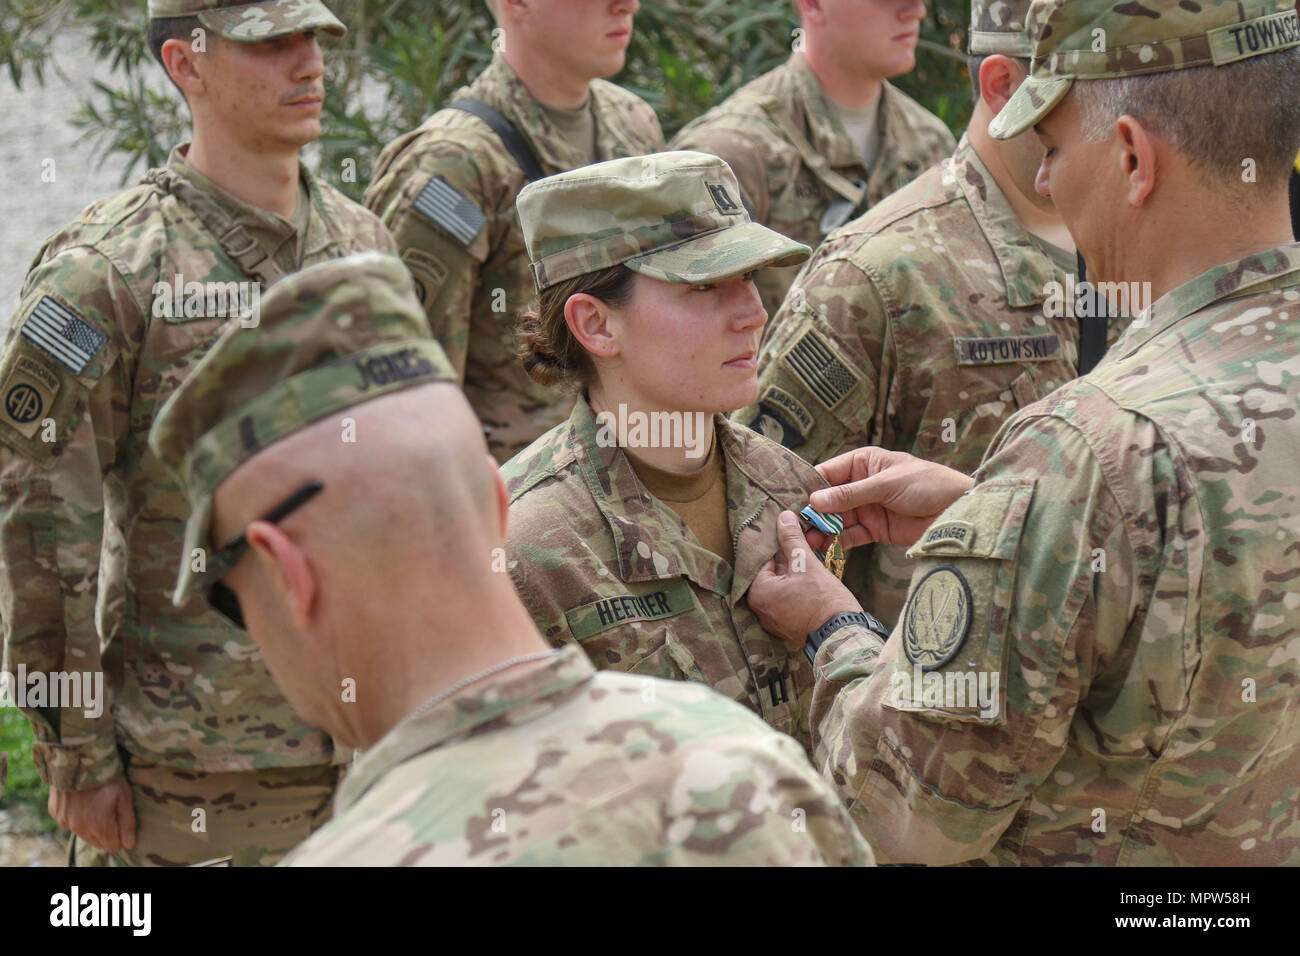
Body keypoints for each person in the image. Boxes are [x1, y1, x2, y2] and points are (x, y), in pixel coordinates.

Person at [749, 0, 1300, 865]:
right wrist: (998, 519)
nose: (1044, 183)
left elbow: (906, 811)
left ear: (1131, 156)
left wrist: (833, 630)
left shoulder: (1086, 451)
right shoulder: (1090, 469)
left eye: (1051, 149)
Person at [147, 252, 875, 867]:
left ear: (286, 573)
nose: (750, 310)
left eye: (231, 600)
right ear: (499, 506)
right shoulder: (747, 767)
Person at [0, 0, 396, 866]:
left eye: (314, 37)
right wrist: (75, 752)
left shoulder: (363, 246)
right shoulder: (106, 272)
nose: (309, 62)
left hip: (362, 757)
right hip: (188, 777)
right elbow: (37, 528)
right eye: (270, 41)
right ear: (187, 65)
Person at [735, 0, 1115, 630]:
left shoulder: (1146, 240)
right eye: (1098, 88)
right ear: (1003, 87)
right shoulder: (875, 276)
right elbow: (769, 537)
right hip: (926, 704)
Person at [502, 151, 890, 757]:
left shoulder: (791, 487)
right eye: (705, 285)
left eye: (750, 279)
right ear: (596, 325)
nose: (754, 313)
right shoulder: (525, 551)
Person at [365, 0, 665, 463]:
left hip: (633, 487)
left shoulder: (632, 126)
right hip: (514, 501)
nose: (628, 4)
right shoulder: (455, 165)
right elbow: (399, 393)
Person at [669, 0, 956, 314]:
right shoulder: (732, 152)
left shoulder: (930, 143)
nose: (915, 10)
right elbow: (680, 325)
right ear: (813, 4)